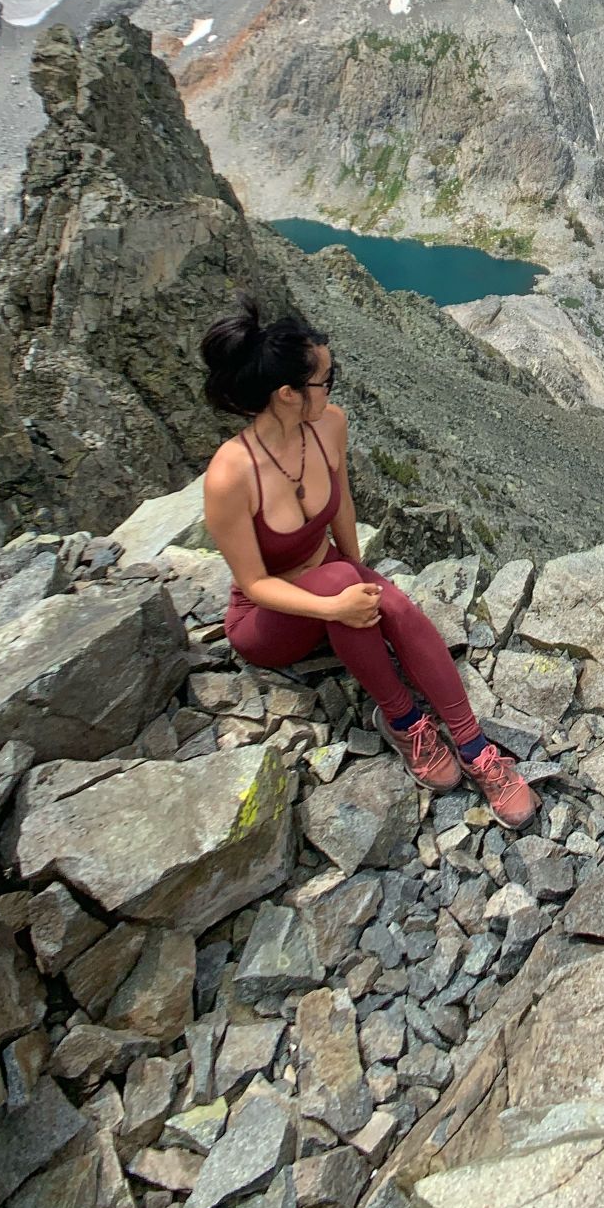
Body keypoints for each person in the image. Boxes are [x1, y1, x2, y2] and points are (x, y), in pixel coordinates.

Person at [200, 296, 535, 830]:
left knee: (392, 604)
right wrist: (334, 602)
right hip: (267, 621)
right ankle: (404, 722)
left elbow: (343, 505)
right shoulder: (230, 475)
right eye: (325, 380)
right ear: (287, 394)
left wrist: (360, 573)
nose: (333, 389)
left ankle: (475, 747)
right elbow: (254, 583)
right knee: (344, 586)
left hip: (330, 580)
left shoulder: (329, 425)